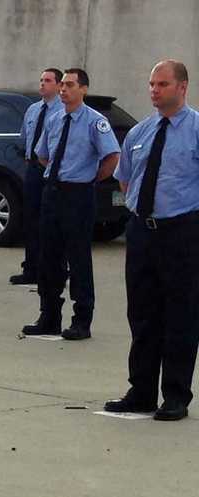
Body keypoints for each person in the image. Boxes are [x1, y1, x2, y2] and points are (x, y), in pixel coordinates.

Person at [104, 60, 199, 422]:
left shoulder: (195, 129)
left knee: (181, 315)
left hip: (183, 232)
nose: (154, 90)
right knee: (142, 314)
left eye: (162, 84)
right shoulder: (140, 132)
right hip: (143, 232)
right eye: (151, 84)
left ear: (182, 87)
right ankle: (140, 391)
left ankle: (175, 395)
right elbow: (126, 180)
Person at [22, 68, 120, 340]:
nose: (64, 89)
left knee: (77, 257)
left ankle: (82, 319)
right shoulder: (54, 119)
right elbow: (42, 155)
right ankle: (49, 314)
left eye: (70, 85)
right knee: (48, 256)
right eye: (62, 84)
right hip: (52, 191)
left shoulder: (94, 121)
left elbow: (112, 156)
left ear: (83, 89)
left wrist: (89, 177)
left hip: (78, 195)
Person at [9, 68, 64, 286]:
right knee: (31, 219)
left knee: (52, 222)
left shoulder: (63, 111)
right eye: (41, 80)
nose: (42, 84)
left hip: (54, 171)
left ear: (59, 85)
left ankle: (55, 269)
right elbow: (26, 140)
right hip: (33, 169)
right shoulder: (32, 110)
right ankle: (31, 268)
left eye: (48, 80)